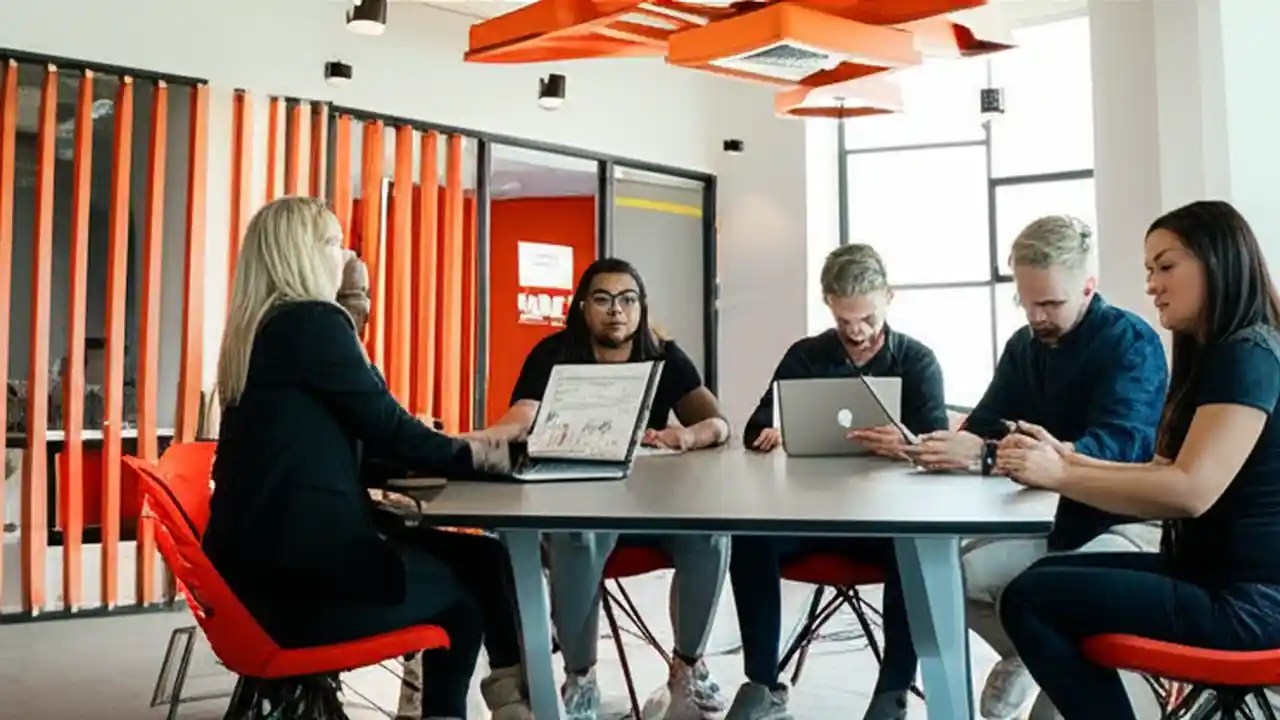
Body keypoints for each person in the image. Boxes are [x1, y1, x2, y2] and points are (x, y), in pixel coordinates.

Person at [204, 196, 530, 720]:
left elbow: (348, 442)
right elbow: (389, 430)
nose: (347, 255)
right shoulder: (311, 322)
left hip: (253, 579)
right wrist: (484, 455)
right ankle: (509, 701)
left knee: (486, 560)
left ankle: (516, 698)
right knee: (469, 594)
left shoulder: (260, 329)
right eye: (336, 243)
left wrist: (450, 450)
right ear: (306, 254)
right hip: (301, 591)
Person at [995, 199, 1280, 720]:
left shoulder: (1248, 355)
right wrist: (1070, 460)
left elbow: (1190, 492)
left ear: (1218, 261)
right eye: (1150, 270)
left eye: (1166, 266)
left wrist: (1060, 473)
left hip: (1250, 603)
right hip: (1205, 575)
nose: (1151, 284)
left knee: (1030, 598)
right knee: (1038, 582)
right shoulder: (1222, 353)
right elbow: (1163, 471)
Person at [903, 215, 1169, 720]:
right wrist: (942, 445)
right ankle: (1032, 652)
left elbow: (1119, 448)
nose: (1038, 317)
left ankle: (1052, 656)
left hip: (1127, 523)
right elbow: (985, 424)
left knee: (1050, 612)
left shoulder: (1131, 344)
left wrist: (986, 455)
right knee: (951, 575)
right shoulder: (1025, 346)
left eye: (1051, 303)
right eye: (1027, 303)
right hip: (1051, 521)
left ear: (1088, 287)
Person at [482, 257, 732, 720]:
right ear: (581, 308)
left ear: (640, 308)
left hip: (653, 505)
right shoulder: (552, 353)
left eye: (628, 299)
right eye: (603, 299)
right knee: (579, 534)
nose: (616, 310)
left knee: (711, 533)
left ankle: (687, 669)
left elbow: (718, 424)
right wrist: (489, 436)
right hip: (581, 501)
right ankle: (581, 676)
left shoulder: (664, 355)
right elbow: (525, 413)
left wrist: (687, 435)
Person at [727, 244, 949, 720]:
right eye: (844, 321)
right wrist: (768, 432)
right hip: (813, 513)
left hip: (887, 519)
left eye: (867, 318)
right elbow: (754, 424)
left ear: (889, 297)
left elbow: (938, 443)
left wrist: (908, 443)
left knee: (913, 549)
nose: (857, 332)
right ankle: (761, 682)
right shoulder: (806, 356)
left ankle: (892, 691)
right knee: (749, 539)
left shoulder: (917, 361)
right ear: (828, 303)